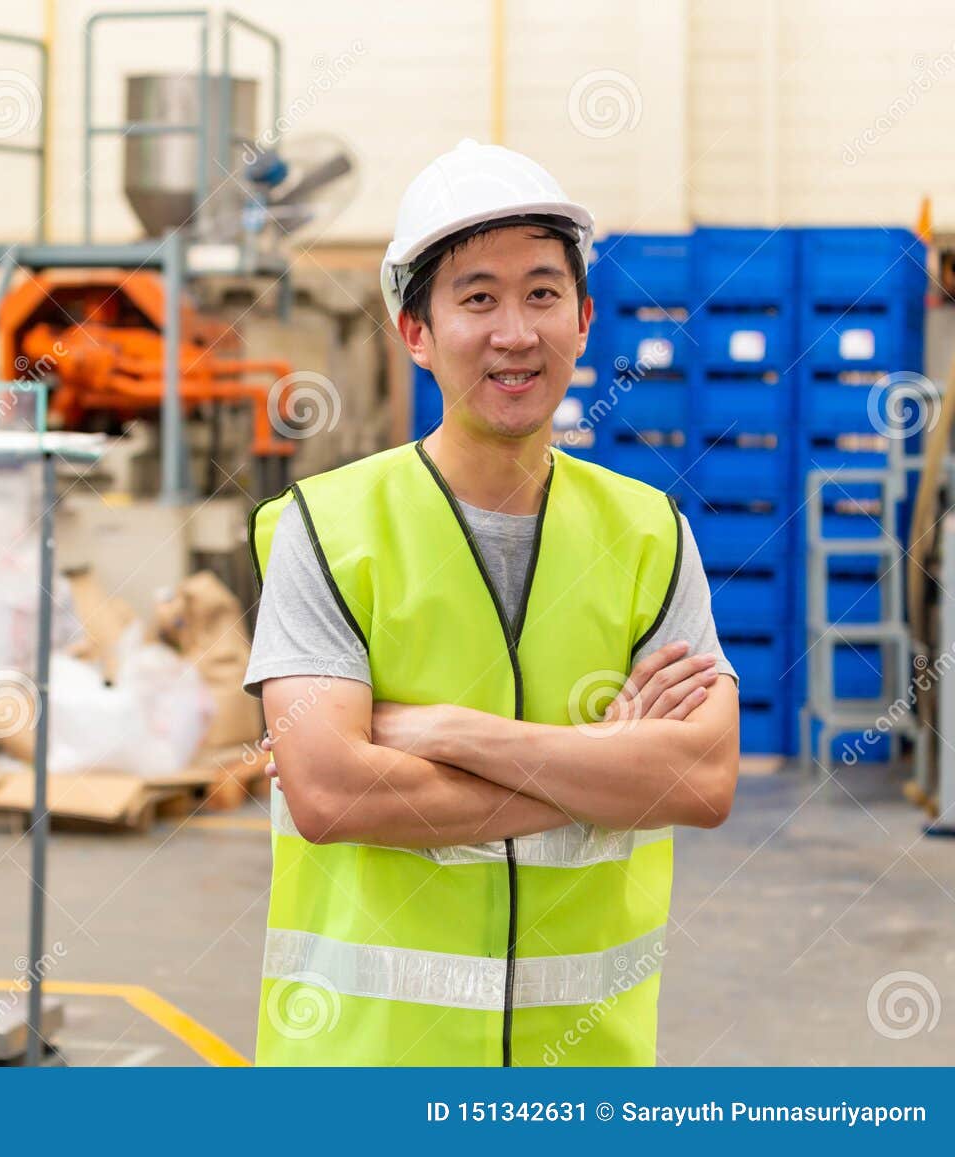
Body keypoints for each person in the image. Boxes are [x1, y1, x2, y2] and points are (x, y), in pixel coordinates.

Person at [244, 139, 740, 1067]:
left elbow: (702, 784)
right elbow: (328, 790)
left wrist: (445, 733)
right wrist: (604, 768)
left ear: (585, 319)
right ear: (416, 331)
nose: (516, 332)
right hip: (367, 1075)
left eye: (543, 294)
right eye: (477, 298)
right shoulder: (328, 528)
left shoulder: (651, 533)